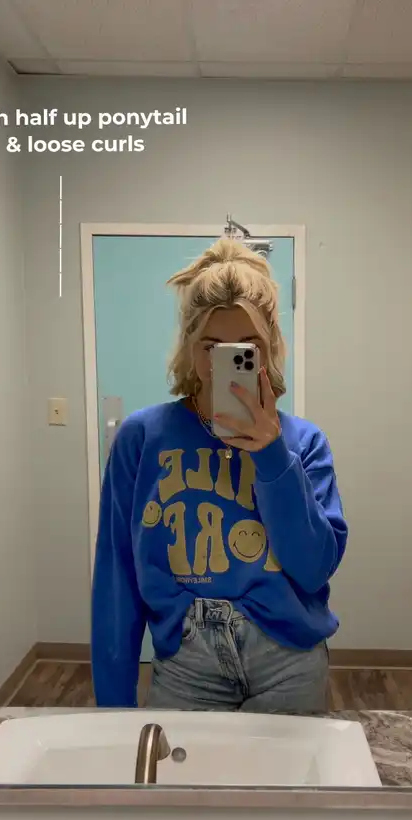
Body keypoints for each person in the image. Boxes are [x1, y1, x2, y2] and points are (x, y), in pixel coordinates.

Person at [91, 238, 348, 713]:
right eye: (211, 347)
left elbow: (314, 569)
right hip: (186, 666)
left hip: (289, 664)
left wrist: (272, 455)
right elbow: (116, 576)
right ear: (190, 349)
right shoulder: (142, 438)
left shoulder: (305, 443)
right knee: (182, 767)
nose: (223, 363)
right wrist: (113, 709)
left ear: (269, 349)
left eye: (246, 348)